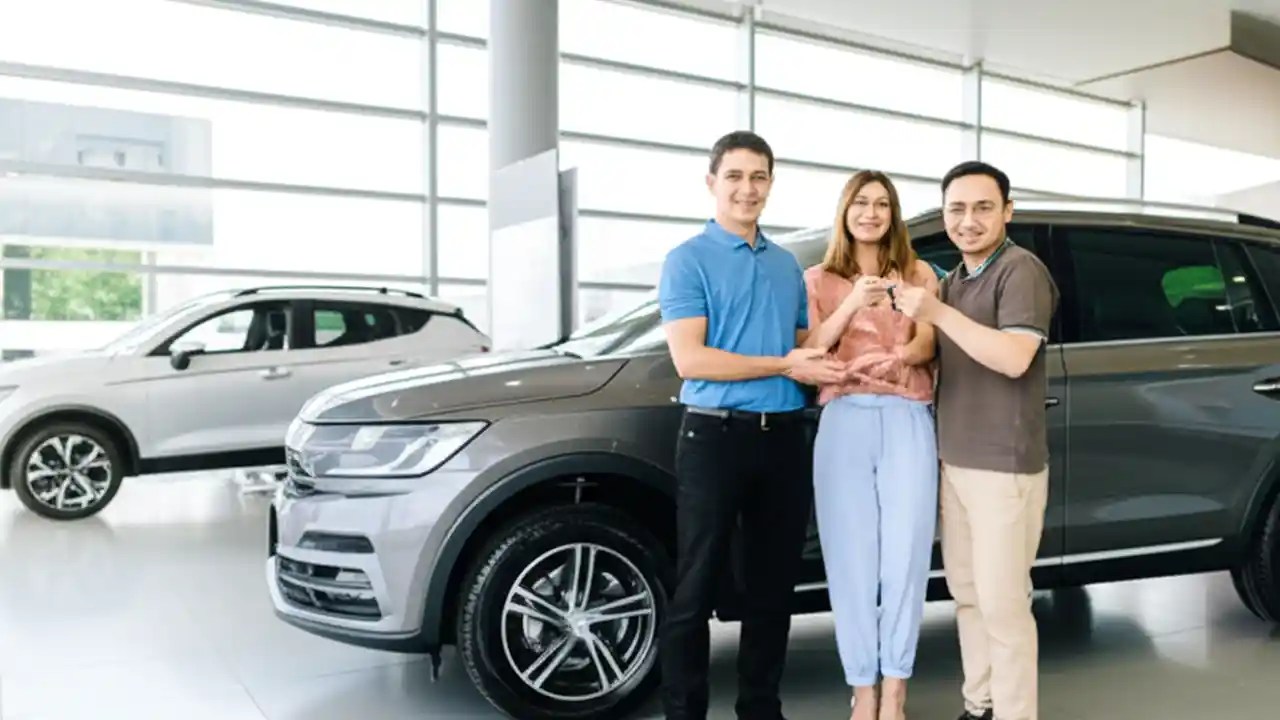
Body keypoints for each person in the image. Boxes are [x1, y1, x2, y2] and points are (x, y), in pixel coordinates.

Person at [657, 130, 844, 720]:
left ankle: (761, 709)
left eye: (758, 176)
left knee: (772, 590)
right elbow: (692, 360)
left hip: (785, 436)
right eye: (734, 176)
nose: (747, 188)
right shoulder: (687, 260)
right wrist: (784, 363)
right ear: (712, 182)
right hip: (715, 436)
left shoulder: (788, 265)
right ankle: (685, 712)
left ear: (770, 184)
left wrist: (852, 310)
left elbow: (802, 347)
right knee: (696, 587)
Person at [894, 161, 1059, 720]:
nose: (968, 220)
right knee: (968, 595)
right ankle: (980, 703)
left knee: (1004, 605)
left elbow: (1014, 358)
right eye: (957, 209)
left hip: (1003, 466)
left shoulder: (1020, 271)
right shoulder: (954, 280)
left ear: (1007, 212)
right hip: (955, 460)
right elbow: (937, 354)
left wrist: (936, 312)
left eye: (983, 207)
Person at [800, 170, 940, 720]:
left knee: (905, 558)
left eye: (882, 204)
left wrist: (903, 353)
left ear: (894, 214)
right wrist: (853, 302)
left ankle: (897, 692)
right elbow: (808, 353)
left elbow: (929, 341)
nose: (872, 213)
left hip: (908, 414)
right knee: (850, 559)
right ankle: (863, 691)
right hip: (844, 419)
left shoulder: (919, 273)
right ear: (845, 210)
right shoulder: (817, 279)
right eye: (861, 202)